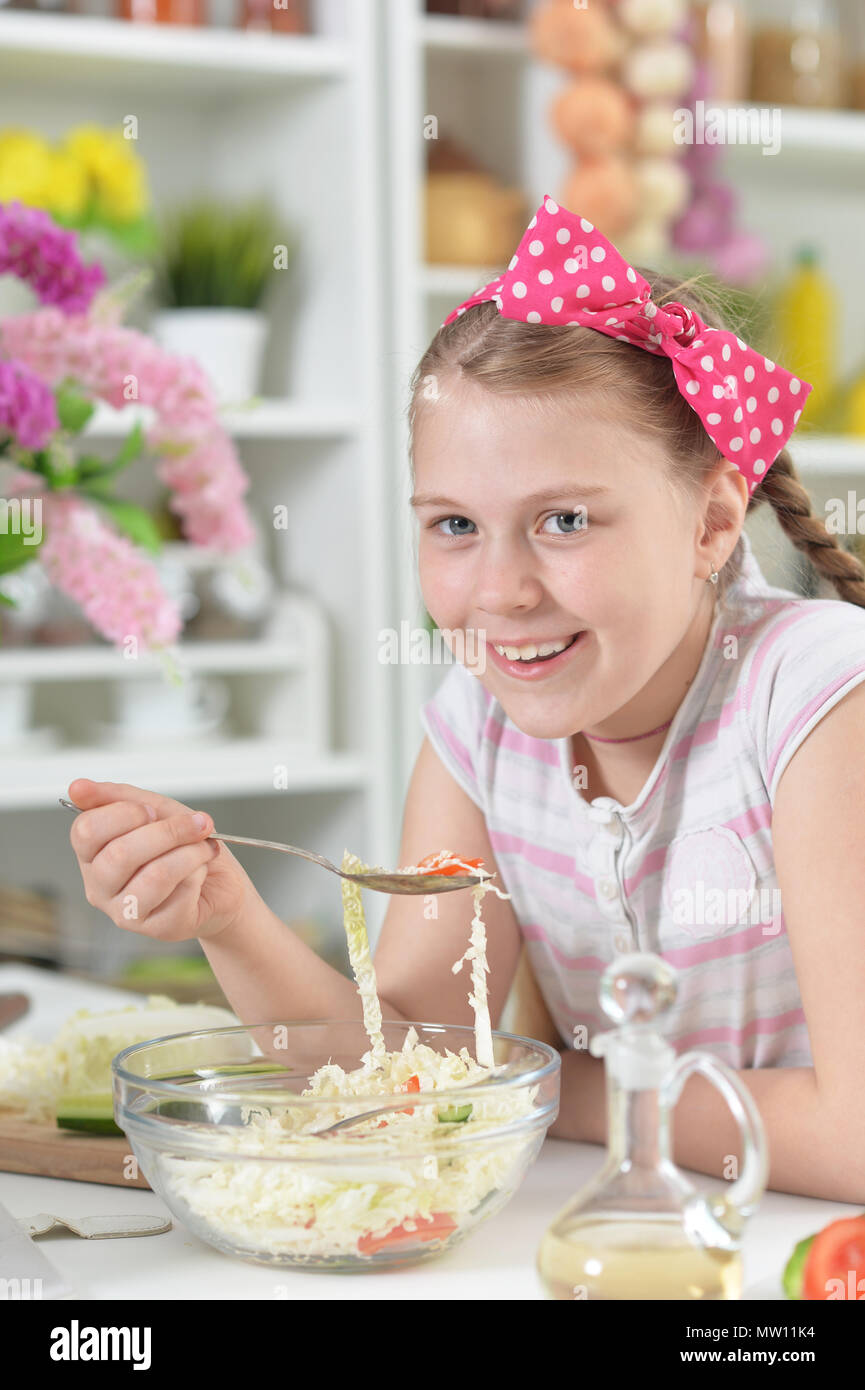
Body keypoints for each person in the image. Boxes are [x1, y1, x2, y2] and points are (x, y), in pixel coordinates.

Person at [67, 198, 865, 1203]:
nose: (499, 591)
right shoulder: (480, 724)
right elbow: (405, 1061)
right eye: (452, 525)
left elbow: (855, 1137)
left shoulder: (818, 696)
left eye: (564, 520)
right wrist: (226, 913)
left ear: (710, 524)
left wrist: (547, 1085)